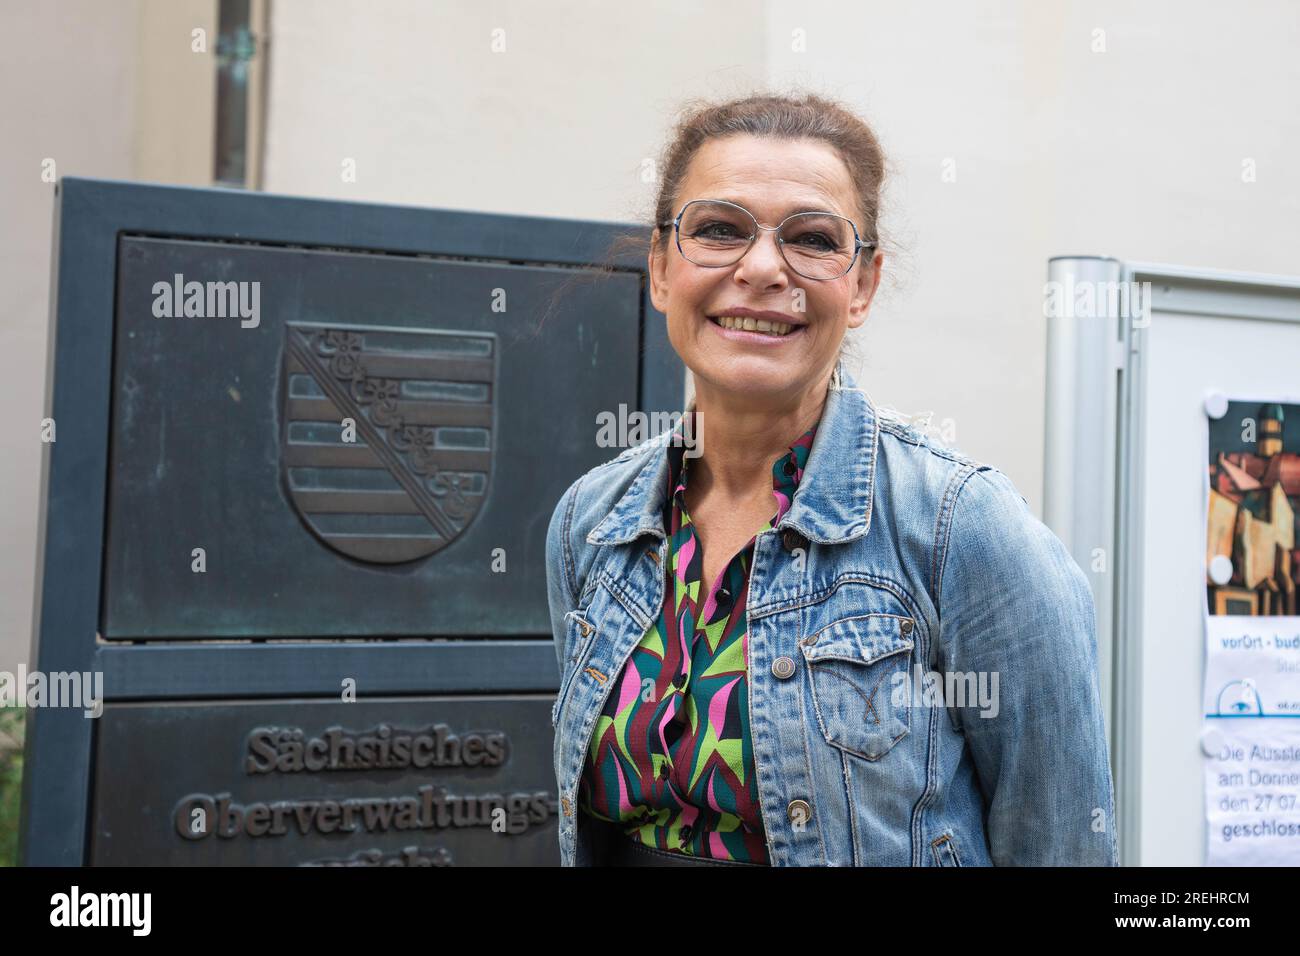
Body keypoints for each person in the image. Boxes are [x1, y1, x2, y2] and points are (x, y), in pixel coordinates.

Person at [545, 92, 1117, 866]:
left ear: (863, 286)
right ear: (659, 266)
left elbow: (1062, 846)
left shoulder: (963, 529)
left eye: (812, 239)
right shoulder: (591, 523)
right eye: (718, 229)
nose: (760, 268)